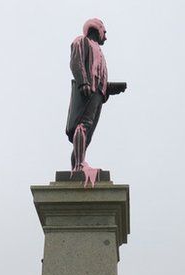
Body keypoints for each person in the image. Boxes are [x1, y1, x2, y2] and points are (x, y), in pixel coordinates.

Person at [65, 18, 126, 185]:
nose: (105, 37)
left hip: (98, 94)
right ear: (97, 28)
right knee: (82, 125)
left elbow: (100, 79)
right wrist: (83, 81)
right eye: (104, 32)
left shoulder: (99, 51)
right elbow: (76, 62)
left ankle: (78, 162)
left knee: (87, 133)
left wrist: (113, 88)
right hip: (87, 90)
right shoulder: (82, 41)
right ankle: (78, 166)